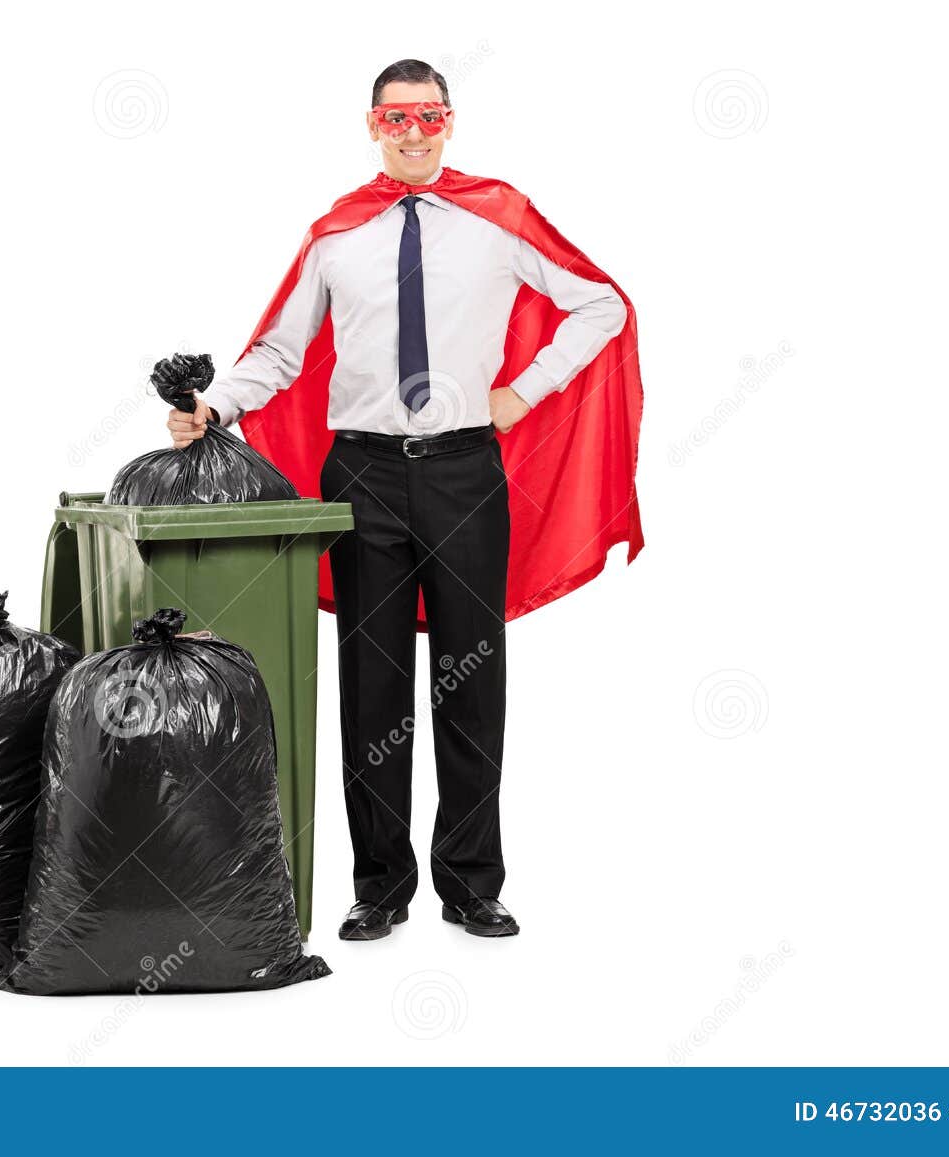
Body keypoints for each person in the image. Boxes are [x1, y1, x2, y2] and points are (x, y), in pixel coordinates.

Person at [168, 59, 644, 941]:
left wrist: (520, 393)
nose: (414, 133)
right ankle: (379, 884)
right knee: (370, 681)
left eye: (429, 116)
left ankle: (471, 882)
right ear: (372, 124)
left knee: (471, 674)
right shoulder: (336, 236)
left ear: (451, 120)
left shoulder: (498, 220)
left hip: (465, 470)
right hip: (363, 476)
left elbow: (600, 306)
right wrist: (212, 408)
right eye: (397, 119)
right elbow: (278, 352)